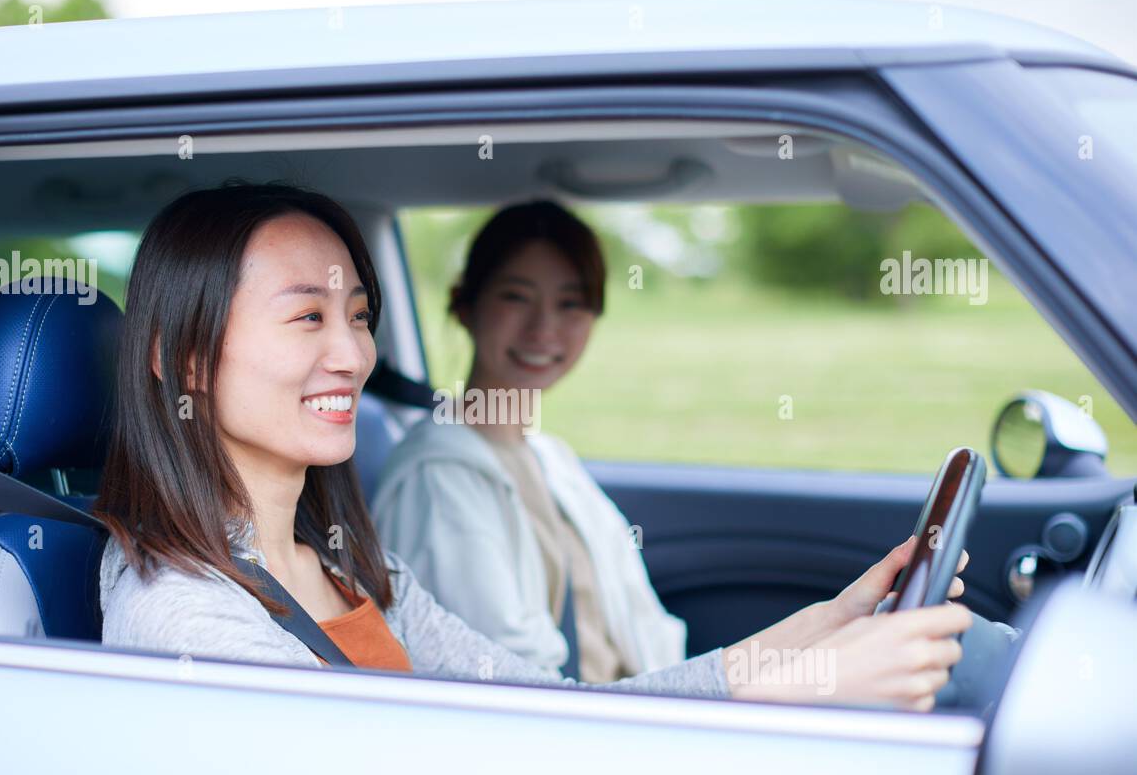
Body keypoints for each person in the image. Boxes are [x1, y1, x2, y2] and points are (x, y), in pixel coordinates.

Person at [93, 181, 971, 711]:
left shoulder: (351, 566)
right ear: (188, 359)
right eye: (308, 317)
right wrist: (802, 686)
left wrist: (821, 633)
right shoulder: (184, 611)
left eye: (361, 316)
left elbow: (553, 715)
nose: (355, 354)